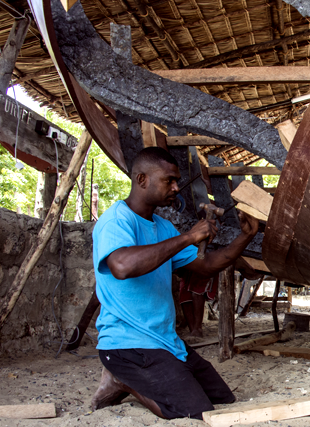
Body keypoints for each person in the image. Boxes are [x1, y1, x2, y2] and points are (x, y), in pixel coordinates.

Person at [89, 147, 259, 420]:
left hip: (165, 341)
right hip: (127, 344)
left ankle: (137, 379)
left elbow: (204, 267)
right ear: (142, 179)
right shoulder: (116, 221)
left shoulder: (163, 227)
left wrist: (245, 237)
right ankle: (122, 381)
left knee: (222, 397)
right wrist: (189, 237)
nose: (176, 187)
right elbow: (121, 266)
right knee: (193, 411)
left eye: (176, 180)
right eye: (169, 180)